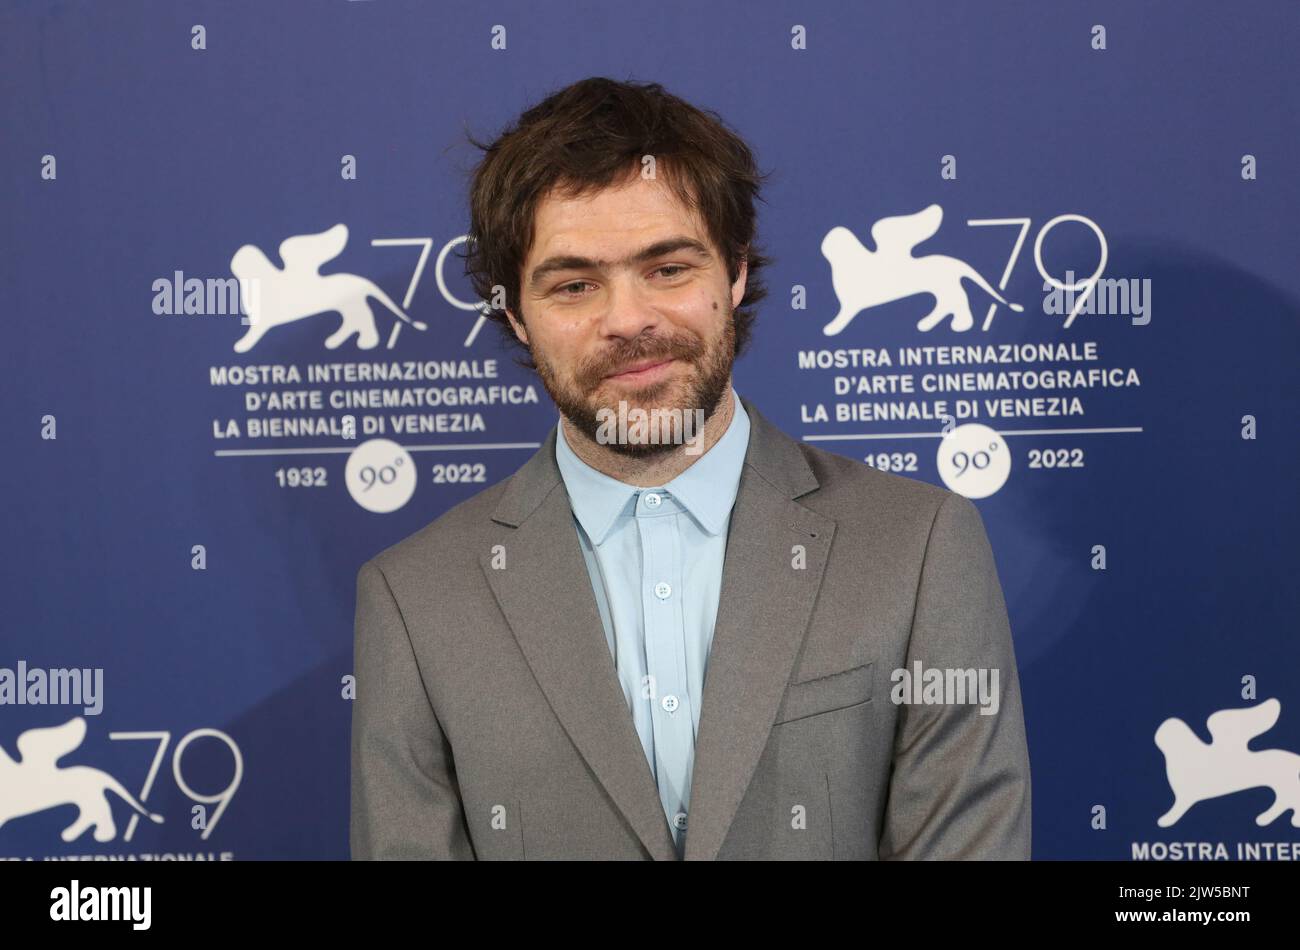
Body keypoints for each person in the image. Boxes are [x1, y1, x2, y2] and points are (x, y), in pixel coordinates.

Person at [350, 76, 1031, 860]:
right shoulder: (415, 597)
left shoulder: (918, 548)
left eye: (669, 269)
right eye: (574, 285)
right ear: (515, 315)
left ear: (734, 274)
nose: (629, 320)